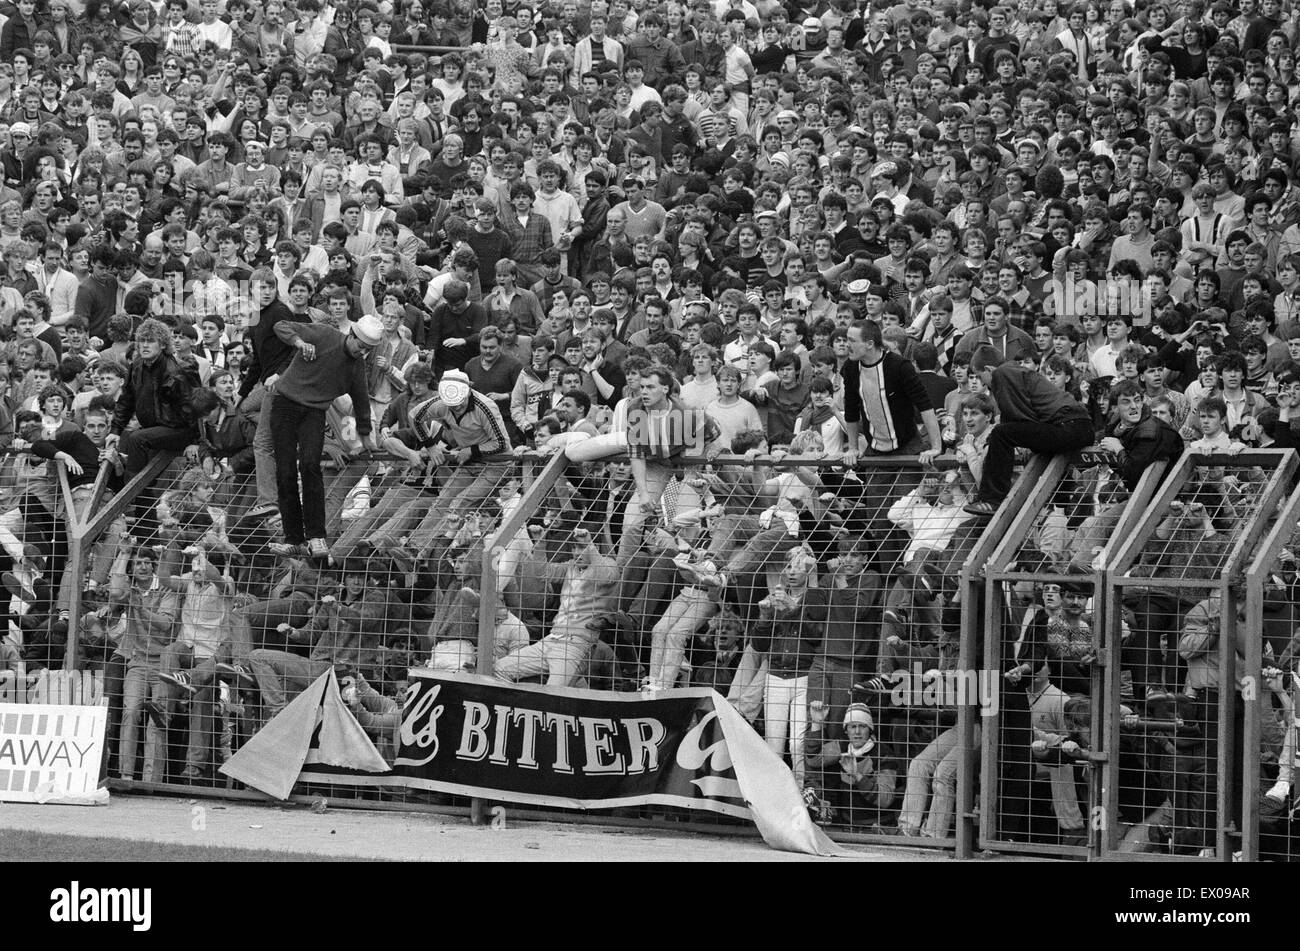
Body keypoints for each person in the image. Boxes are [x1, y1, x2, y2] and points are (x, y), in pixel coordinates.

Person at [267, 315, 382, 557]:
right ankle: (293, 537)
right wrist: (299, 342)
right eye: (360, 346)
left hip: (315, 411)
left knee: (310, 465)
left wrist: (365, 435)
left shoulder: (356, 365)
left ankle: (316, 536)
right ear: (351, 334)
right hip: (285, 404)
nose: (361, 352)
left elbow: (361, 400)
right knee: (285, 469)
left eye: (367, 350)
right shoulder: (324, 334)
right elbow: (280, 324)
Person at [963, 345, 1095, 517]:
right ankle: (1072, 491)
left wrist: (1002, 444)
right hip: (1080, 426)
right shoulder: (1016, 371)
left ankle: (992, 500)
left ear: (988, 369)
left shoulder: (1002, 373)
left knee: (1000, 434)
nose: (982, 382)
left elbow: (1016, 416)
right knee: (1038, 449)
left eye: (980, 376)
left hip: (1066, 426)